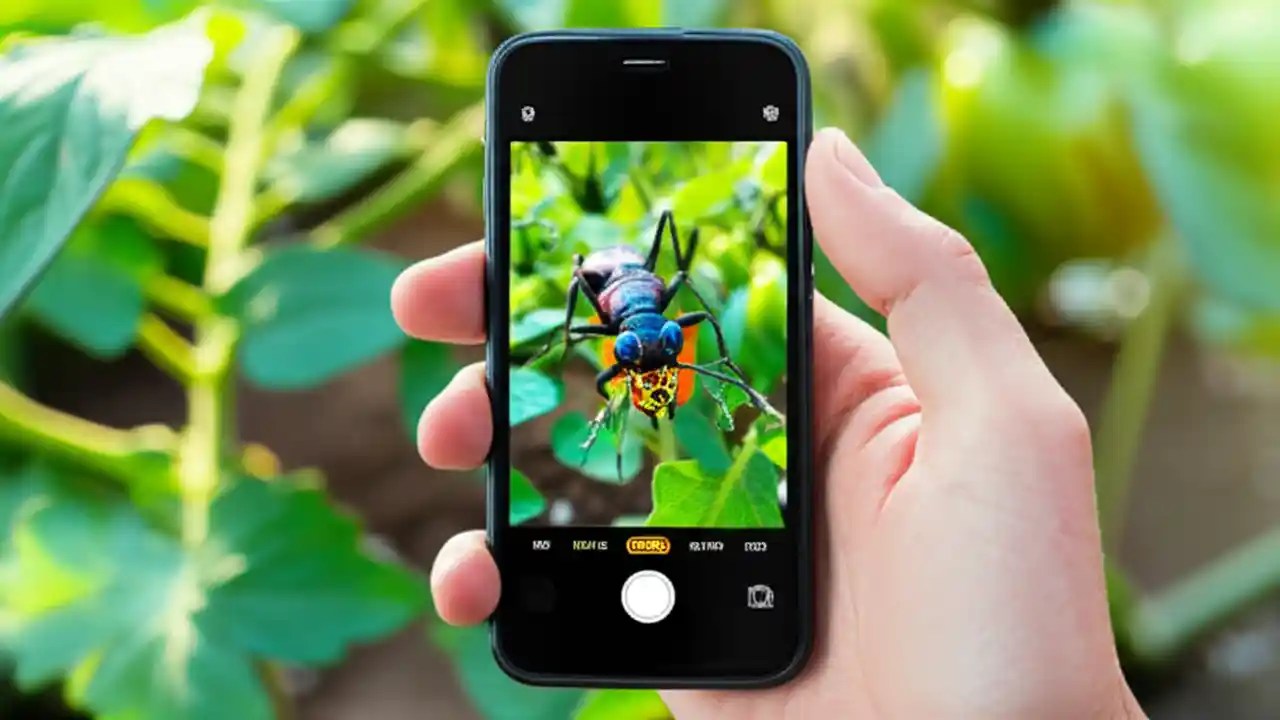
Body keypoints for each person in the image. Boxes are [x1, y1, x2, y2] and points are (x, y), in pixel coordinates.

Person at [390, 129, 1148, 719]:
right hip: (614, 279)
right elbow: (612, 317)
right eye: (639, 359)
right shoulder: (611, 317)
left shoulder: (667, 325)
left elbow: (670, 323)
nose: (649, 363)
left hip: (643, 289)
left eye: (651, 358)